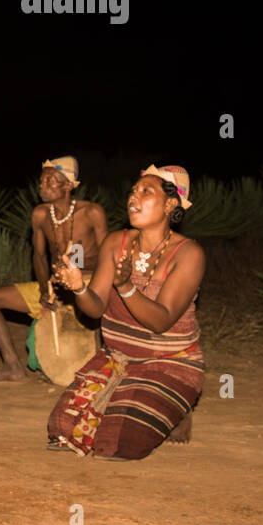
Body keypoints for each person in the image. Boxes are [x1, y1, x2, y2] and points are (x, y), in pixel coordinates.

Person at [48, 165, 204, 459]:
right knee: (63, 429)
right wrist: (80, 287)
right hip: (118, 358)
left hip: (170, 362)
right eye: (134, 191)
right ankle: (155, 404)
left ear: (171, 204)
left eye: (147, 191)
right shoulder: (117, 243)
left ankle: (177, 406)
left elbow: (161, 320)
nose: (134, 197)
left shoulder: (188, 254)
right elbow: (95, 308)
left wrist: (126, 286)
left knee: (117, 443)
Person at [0, 157, 108, 381]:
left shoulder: (92, 213)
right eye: (42, 180)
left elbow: (108, 257)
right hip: (54, 284)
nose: (42, 185)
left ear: (68, 185)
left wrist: (85, 286)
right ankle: (13, 366)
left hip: (88, 284)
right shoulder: (40, 214)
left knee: (100, 314)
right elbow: (38, 256)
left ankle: (99, 373)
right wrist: (44, 292)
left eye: (50, 181)